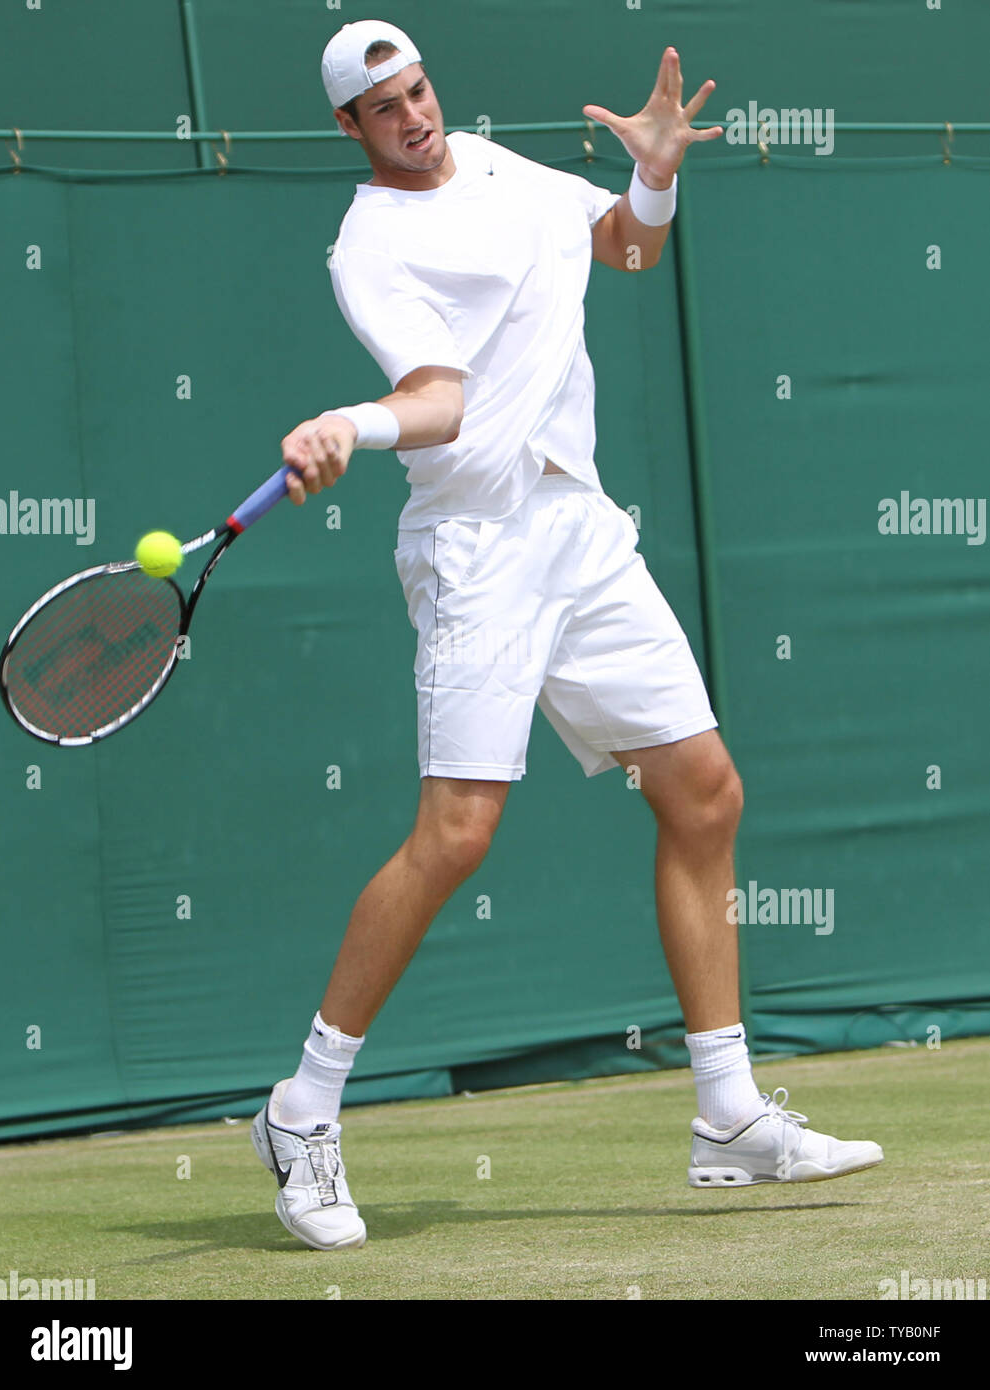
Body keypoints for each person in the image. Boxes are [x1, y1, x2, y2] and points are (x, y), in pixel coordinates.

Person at [251, 19, 883, 1251]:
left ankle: (727, 1115)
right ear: (351, 129)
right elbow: (439, 401)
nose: (414, 116)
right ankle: (302, 1109)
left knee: (703, 792)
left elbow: (627, 251)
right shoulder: (370, 248)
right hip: (479, 544)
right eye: (384, 109)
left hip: (578, 522)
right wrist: (352, 422)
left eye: (419, 89)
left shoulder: (501, 167)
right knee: (456, 833)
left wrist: (655, 168)